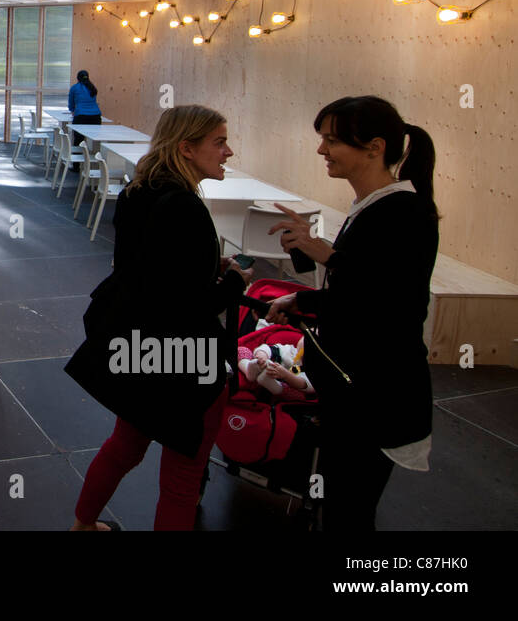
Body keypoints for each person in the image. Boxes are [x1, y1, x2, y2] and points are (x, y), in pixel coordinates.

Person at [67, 105, 252, 531]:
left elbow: (148, 270)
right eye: (219, 142)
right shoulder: (185, 207)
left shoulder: (138, 190)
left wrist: (207, 265)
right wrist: (235, 281)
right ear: (187, 148)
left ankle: (83, 526)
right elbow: (190, 304)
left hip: (140, 350)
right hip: (187, 361)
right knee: (182, 479)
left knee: (123, 448)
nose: (228, 152)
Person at [265, 96, 438, 531]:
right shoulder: (372, 207)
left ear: (375, 147)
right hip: (352, 390)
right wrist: (303, 300)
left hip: (379, 395)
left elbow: (397, 306)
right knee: (340, 504)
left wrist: (329, 255)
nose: (321, 150)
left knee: (349, 510)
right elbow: (359, 294)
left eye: (331, 140)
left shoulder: (406, 211)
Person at [69, 69, 102, 145]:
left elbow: (71, 102)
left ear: (78, 78)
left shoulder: (74, 88)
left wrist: (72, 110)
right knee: (95, 140)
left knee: (78, 139)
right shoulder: (92, 87)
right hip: (95, 116)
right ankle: (95, 155)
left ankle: (77, 155)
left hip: (81, 116)